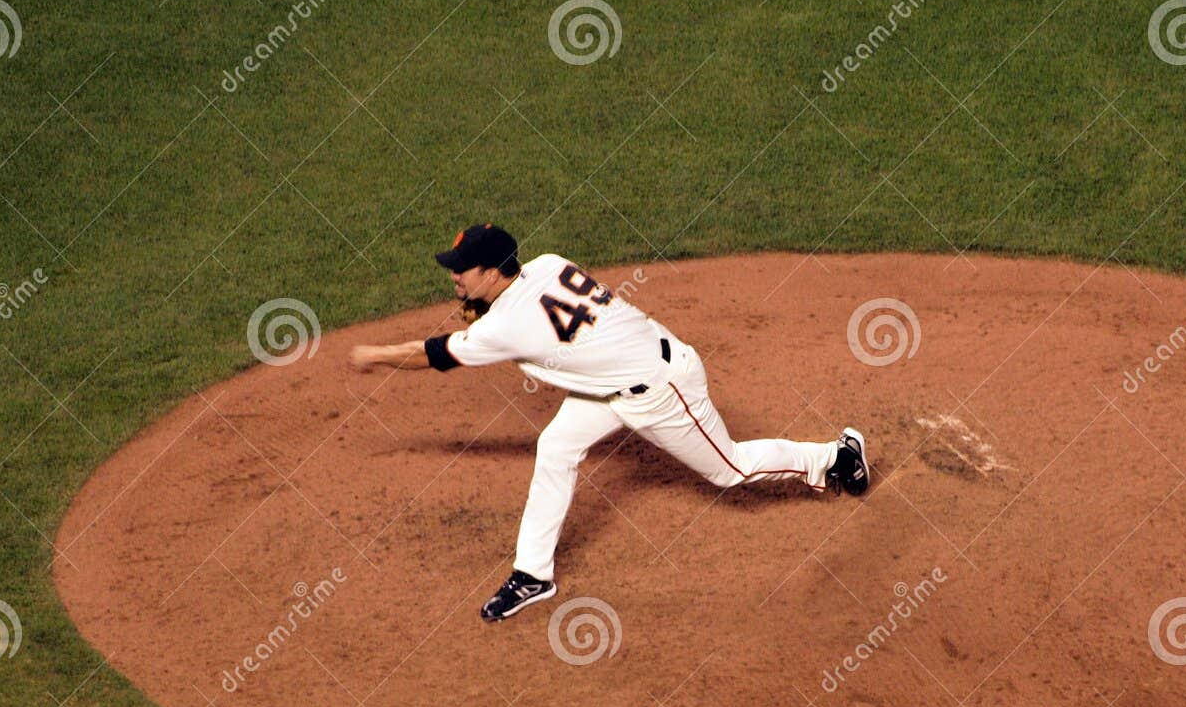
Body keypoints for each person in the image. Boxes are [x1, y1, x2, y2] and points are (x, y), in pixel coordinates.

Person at [348, 224, 870, 621]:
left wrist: (375, 355)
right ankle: (533, 576)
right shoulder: (547, 263)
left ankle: (835, 457)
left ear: (491, 272)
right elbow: (541, 318)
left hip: (663, 390)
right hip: (617, 379)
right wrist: (487, 310)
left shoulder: (502, 325)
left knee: (729, 470)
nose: (453, 275)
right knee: (556, 446)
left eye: (462, 268)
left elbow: (434, 355)